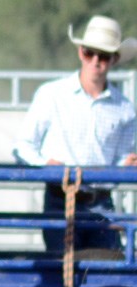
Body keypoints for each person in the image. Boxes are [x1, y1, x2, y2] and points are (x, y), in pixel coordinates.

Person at [13, 15, 137, 254]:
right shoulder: (52, 94)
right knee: (64, 275)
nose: (96, 61)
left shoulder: (125, 109)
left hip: (101, 202)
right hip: (61, 199)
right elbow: (23, 146)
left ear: (114, 60)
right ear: (81, 53)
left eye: (103, 56)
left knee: (106, 274)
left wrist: (126, 164)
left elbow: (121, 159)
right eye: (90, 53)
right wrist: (46, 164)